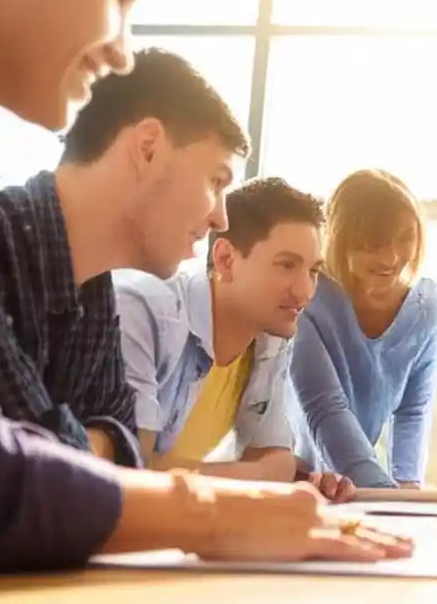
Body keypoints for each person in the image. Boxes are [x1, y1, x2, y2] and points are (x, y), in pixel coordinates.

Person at [0, 0, 405, 572]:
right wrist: (209, 511)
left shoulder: (75, 282)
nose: (119, 52)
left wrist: (64, 451)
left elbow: (108, 444)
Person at [0, 47, 248, 469]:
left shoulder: (95, 291)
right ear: (147, 149)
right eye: (216, 181)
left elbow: (123, 452)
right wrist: (95, 447)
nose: (220, 217)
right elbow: (29, 472)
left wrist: (88, 448)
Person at [117, 176, 355, 500]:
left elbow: (275, 458)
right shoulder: (150, 313)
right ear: (226, 259)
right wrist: (258, 477)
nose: (304, 291)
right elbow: (125, 474)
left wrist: (295, 477)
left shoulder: (271, 338)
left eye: (313, 271)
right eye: (286, 265)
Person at [290, 169, 437, 489]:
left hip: (357, 482)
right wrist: (383, 492)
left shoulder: (427, 305)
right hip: (296, 473)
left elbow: (413, 409)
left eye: (405, 238)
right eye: (373, 244)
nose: (391, 258)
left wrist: (408, 484)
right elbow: (325, 409)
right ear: (341, 240)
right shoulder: (309, 298)